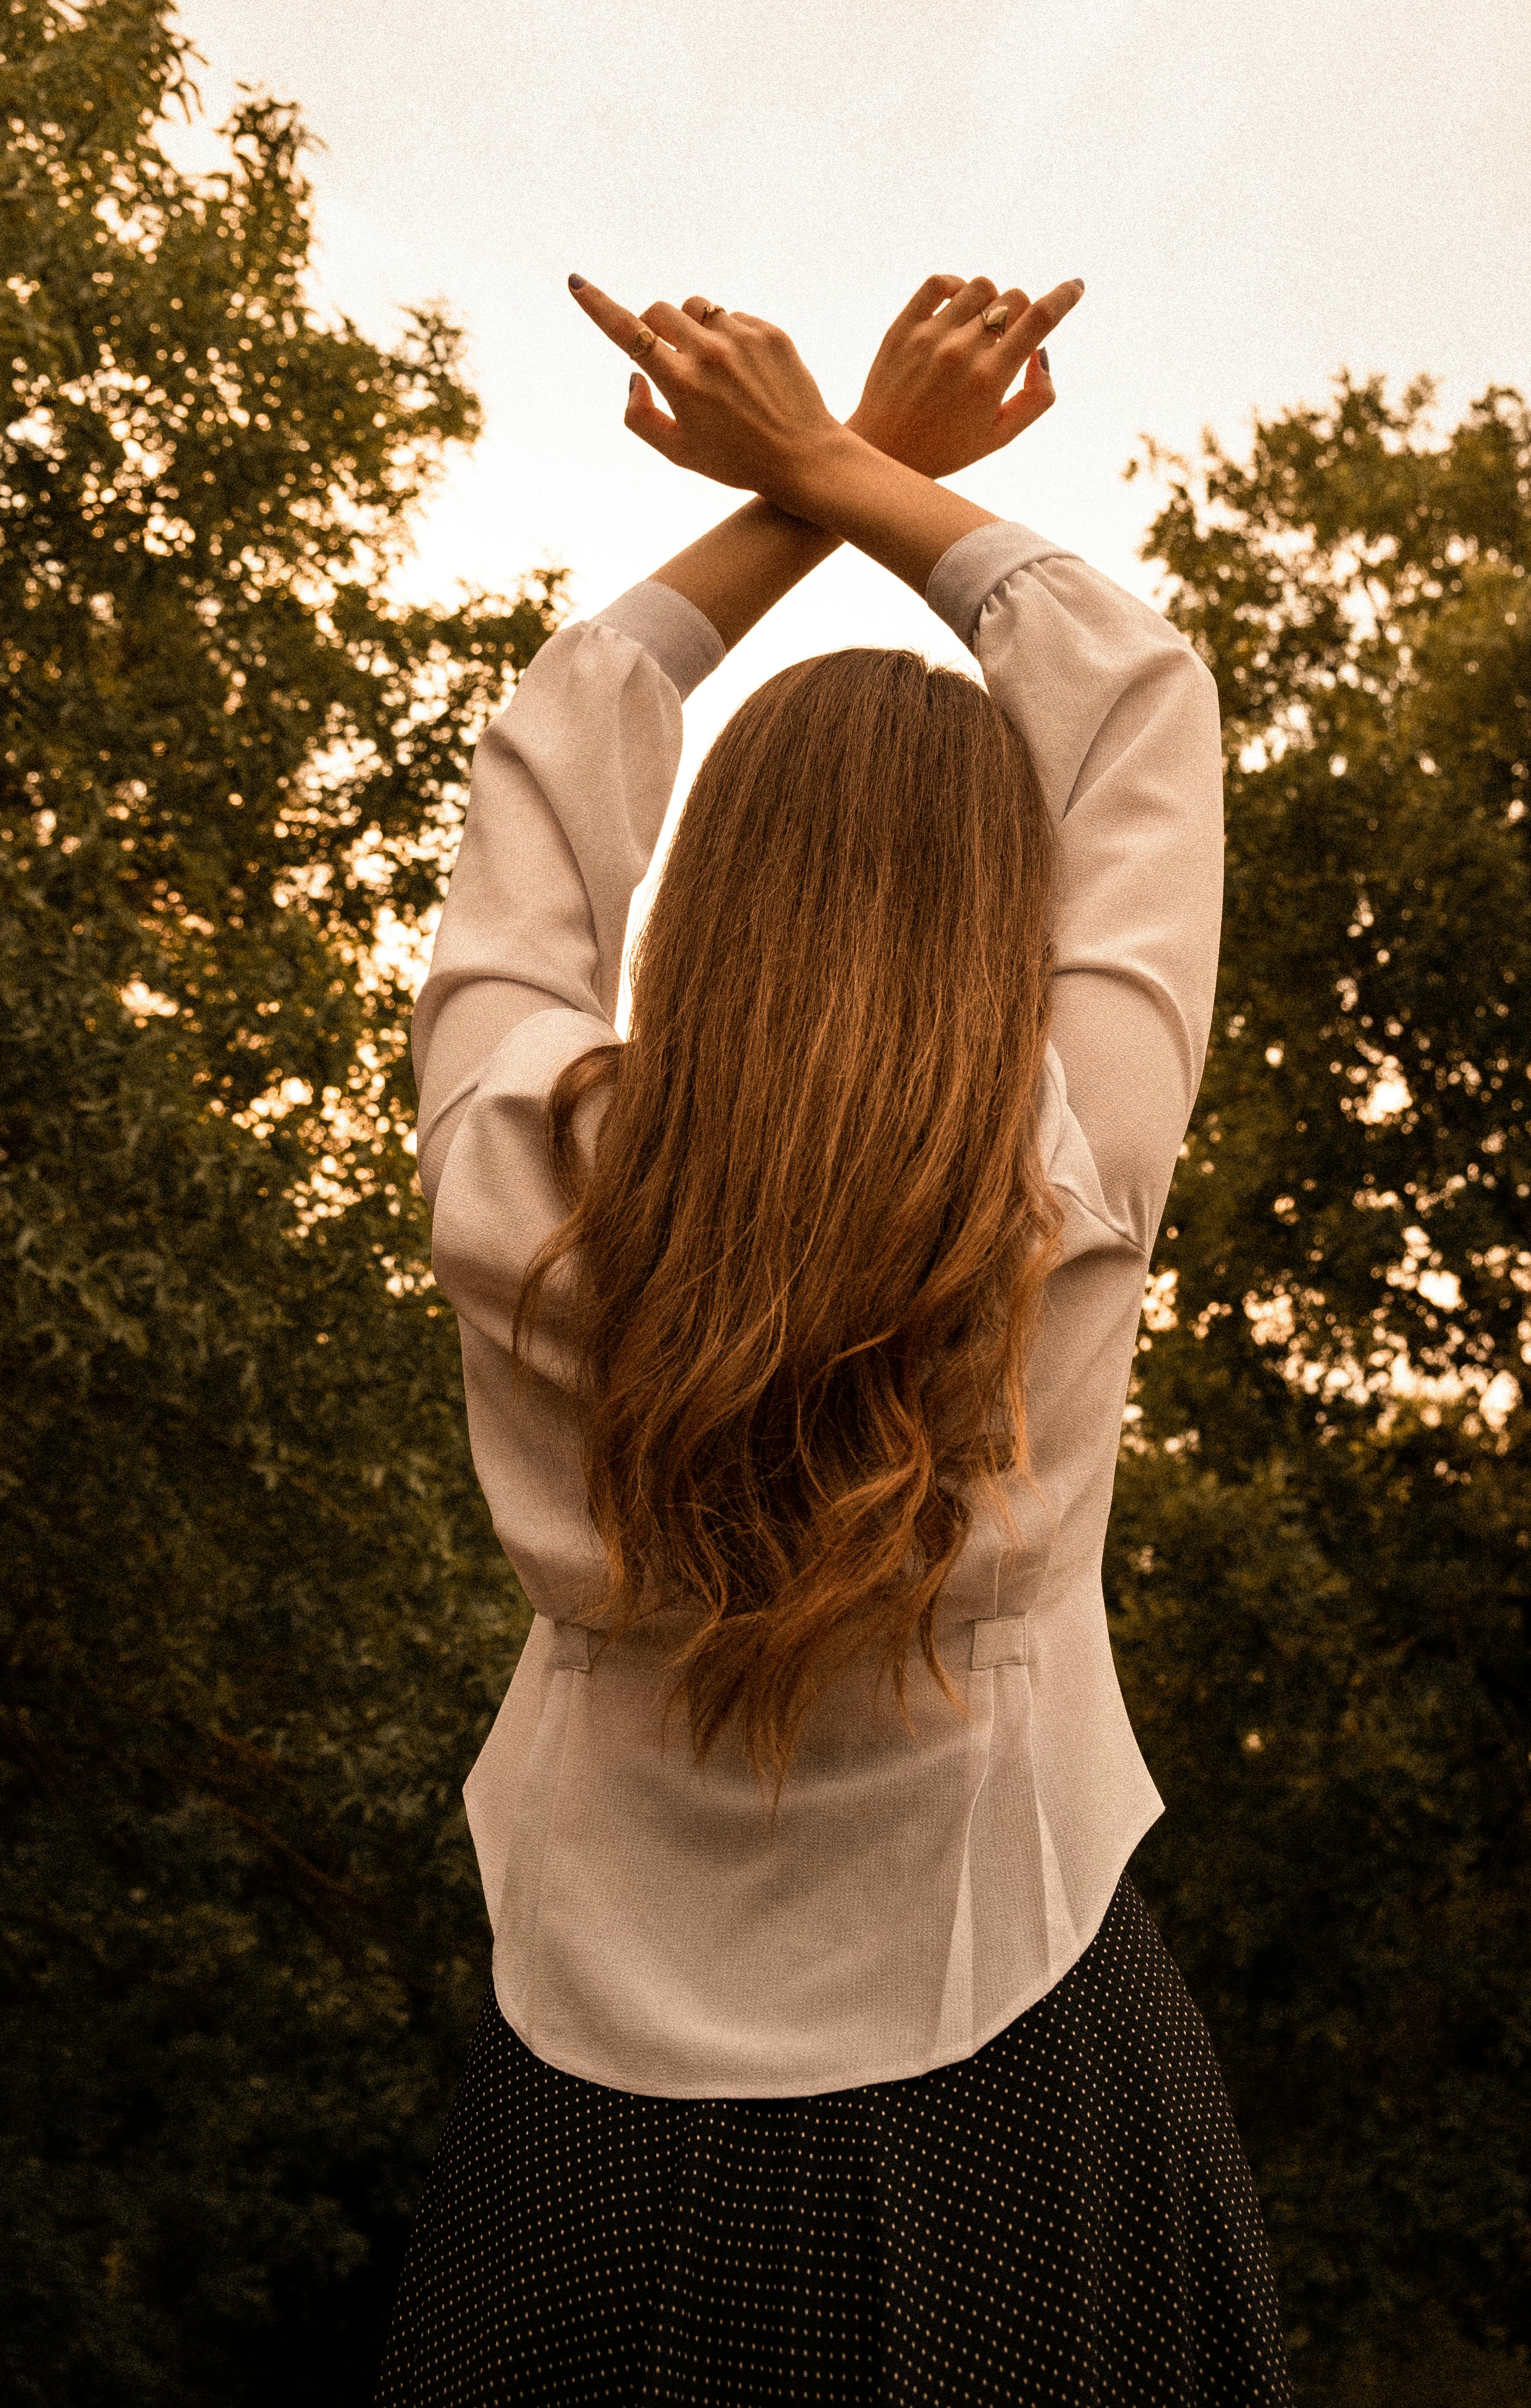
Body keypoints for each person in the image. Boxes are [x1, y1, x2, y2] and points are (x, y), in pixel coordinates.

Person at [375, 271, 1295, 2406]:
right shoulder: (1069, 1168)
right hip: (1030, 2093)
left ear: (699, 908)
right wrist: (856, 466)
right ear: (1009, 917)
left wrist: (781, 497)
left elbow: (548, 771)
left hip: (584, 2119)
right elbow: (1140, 701)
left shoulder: (518, 1180)